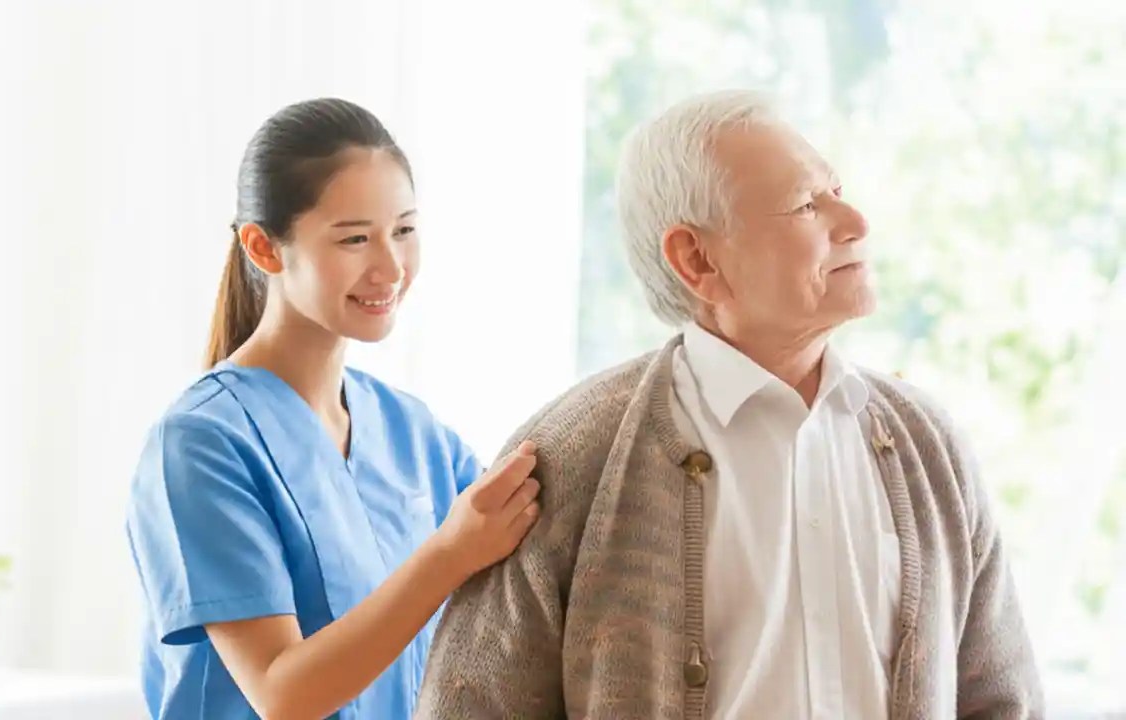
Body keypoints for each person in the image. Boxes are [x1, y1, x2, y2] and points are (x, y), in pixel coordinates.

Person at [417, 90, 1043, 719]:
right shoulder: (568, 456)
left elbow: (1003, 700)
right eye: (805, 205)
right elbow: (472, 705)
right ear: (696, 258)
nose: (854, 220)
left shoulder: (927, 444)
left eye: (837, 190)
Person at [125, 98, 541, 720]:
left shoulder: (417, 434)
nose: (391, 268)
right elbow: (282, 693)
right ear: (264, 249)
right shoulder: (200, 443)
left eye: (404, 230)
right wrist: (449, 555)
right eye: (354, 239)